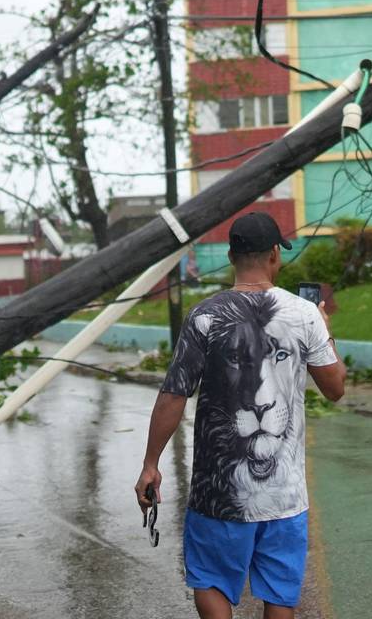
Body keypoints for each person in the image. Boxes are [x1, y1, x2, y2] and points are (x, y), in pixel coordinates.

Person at [136, 211, 347, 618]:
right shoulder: (305, 315)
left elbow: (173, 395)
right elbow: (335, 388)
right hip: (285, 498)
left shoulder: (204, 317)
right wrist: (326, 329)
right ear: (274, 255)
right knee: (279, 595)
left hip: (218, 497)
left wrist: (150, 464)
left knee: (212, 580)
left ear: (232, 256)